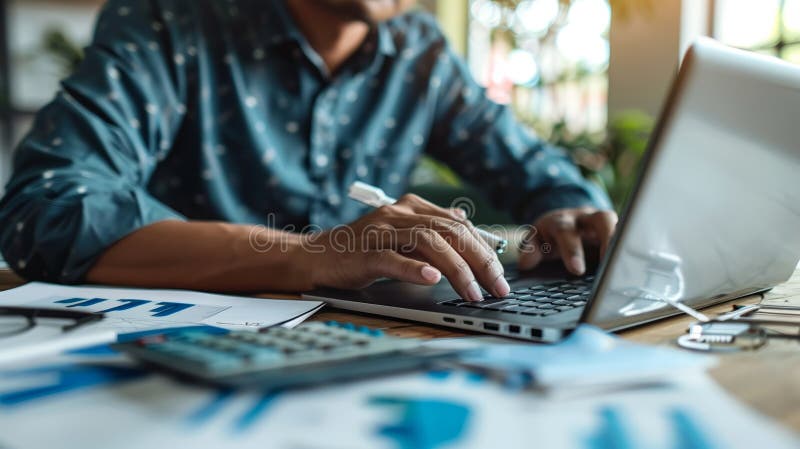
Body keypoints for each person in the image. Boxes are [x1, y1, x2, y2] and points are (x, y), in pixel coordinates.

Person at [0, 0, 617, 303]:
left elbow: (544, 176)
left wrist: (572, 214)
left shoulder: (418, 51)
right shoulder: (170, 21)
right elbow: (47, 209)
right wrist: (313, 256)